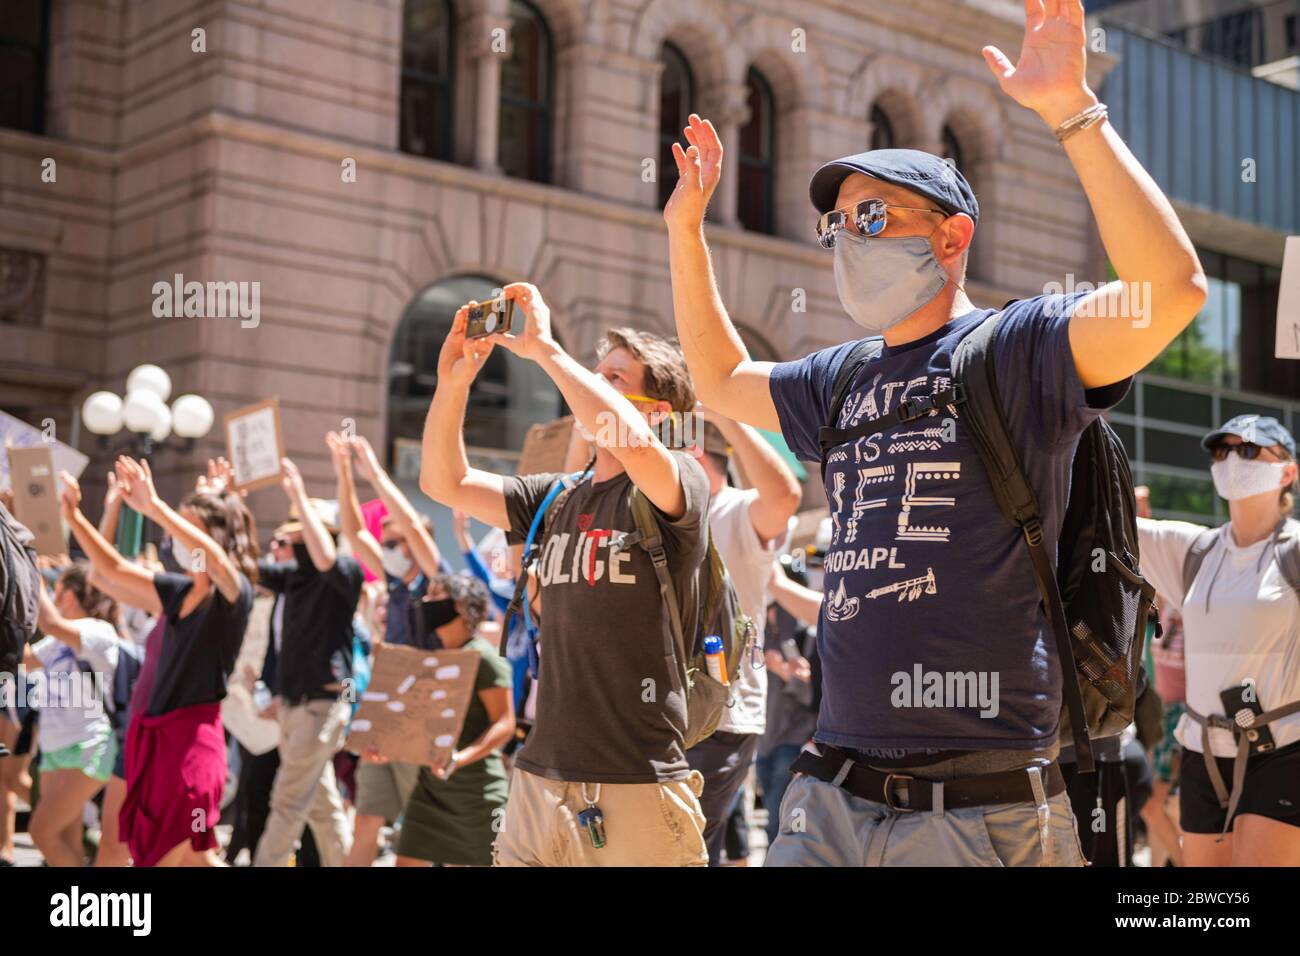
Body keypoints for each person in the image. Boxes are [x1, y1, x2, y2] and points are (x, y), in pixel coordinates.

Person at [662, 0, 1207, 866]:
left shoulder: (1019, 348)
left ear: (952, 235)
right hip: (827, 790)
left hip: (976, 807)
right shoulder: (841, 375)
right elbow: (722, 380)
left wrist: (1073, 109)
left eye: (872, 217)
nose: (848, 240)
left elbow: (1172, 289)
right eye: (839, 224)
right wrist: (686, 233)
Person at [421, 282, 711, 867]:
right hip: (539, 775)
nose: (594, 386)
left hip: (637, 777)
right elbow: (443, 482)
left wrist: (548, 351)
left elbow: (630, 443)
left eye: (615, 379)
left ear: (658, 412)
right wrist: (452, 386)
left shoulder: (676, 480)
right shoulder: (553, 496)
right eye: (596, 372)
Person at [64, 457, 256, 867]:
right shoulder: (176, 591)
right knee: (190, 860)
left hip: (188, 748)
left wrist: (154, 508)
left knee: (167, 858)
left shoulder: (233, 596)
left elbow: (218, 562)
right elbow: (108, 571)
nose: (173, 538)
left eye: (183, 528)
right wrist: (74, 517)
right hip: (151, 741)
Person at [1134, 416, 1300, 866]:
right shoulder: (1194, 551)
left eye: (1247, 451)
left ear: (1288, 472)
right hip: (1202, 750)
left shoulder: (1296, 550)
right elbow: (1105, 525)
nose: (1230, 461)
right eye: (1220, 452)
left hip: (1284, 749)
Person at [686, 413, 801, 865]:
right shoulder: (661, 512)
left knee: (686, 846)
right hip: (655, 710)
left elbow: (784, 495)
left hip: (720, 717)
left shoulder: (735, 509)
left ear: (694, 454)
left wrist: (722, 414)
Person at [328, 430, 444, 867]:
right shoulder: (394, 585)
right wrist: (342, 470)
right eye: (388, 541)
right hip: (383, 714)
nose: (388, 547)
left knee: (416, 832)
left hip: (423, 716)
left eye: (395, 541)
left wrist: (373, 472)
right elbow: (354, 532)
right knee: (367, 822)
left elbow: (413, 524)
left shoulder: (437, 582)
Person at [253, 457, 362, 867]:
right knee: (320, 803)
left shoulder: (345, 574)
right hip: (296, 706)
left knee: (287, 800)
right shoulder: (292, 578)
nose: (289, 543)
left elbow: (328, 559)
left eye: (298, 532)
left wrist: (299, 493)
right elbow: (247, 569)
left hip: (321, 704)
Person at [377, 572, 514, 866]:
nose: (426, 602)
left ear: (462, 606)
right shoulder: (436, 657)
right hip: (431, 791)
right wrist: (385, 747)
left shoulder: (484, 657)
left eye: (437, 596)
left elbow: (504, 723)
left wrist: (460, 758)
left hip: (477, 795)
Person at [22, 565, 122, 866]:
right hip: (55, 749)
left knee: (41, 832)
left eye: (56, 589)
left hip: (88, 746)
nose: (52, 595)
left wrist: (28, 577)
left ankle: (91, 908)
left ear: (68, 596)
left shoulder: (97, 630)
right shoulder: (59, 639)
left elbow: (49, 622)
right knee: (66, 841)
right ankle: (80, 909)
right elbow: (25, 659)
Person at [1134, 485, 1186, 867]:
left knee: (1161, 807)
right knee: (1157, 808)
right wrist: (1140, 512)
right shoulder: (1166, 607)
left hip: (1188, 717)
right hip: (1162, 715)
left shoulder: (1200, 611)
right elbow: (1146, 560)